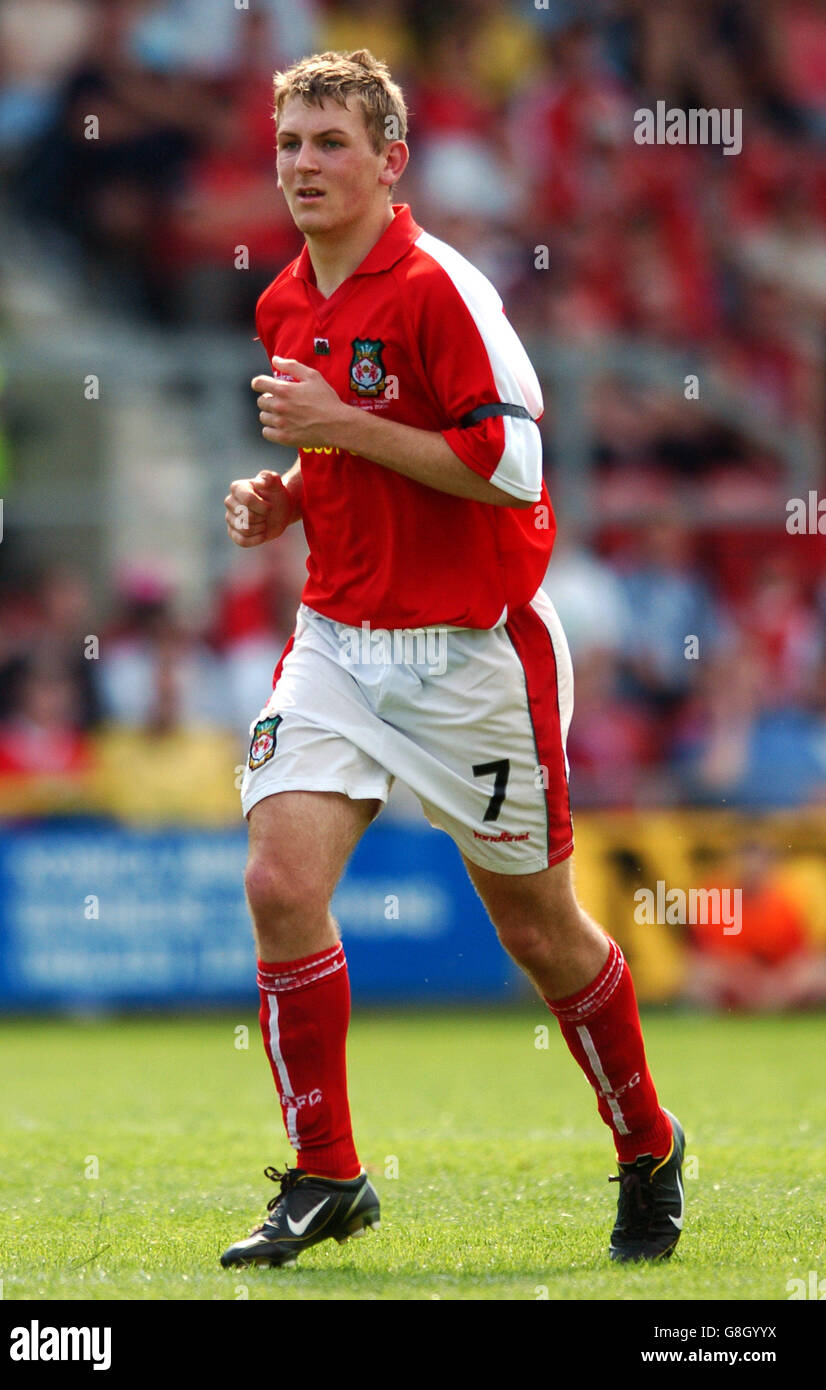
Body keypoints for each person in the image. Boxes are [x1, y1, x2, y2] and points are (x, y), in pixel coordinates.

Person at [219, 49, 684, 1271]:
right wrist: (289, 496)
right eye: (289, 144)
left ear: (389, 162)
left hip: (472, 659)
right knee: (277, 881)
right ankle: (326, 1173)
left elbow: (511, 470)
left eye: (329, 143)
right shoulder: (283, 302)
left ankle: (645, 1139)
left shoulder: (441, 290)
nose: (304, 165)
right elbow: (350, 464)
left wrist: (336, 429)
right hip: (336, 640)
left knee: (539, 934)